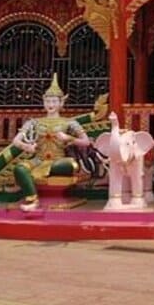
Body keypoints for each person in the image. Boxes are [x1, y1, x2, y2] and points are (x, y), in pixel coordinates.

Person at [11, 73, 92, 211]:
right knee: (19, 168)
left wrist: (69, 138)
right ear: (44, 102)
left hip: (59, 161)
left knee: (69, 164)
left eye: (54, 101)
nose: (51, 105)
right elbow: (15, 141)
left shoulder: (69, 122)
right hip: (38, 160)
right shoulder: (34, 122)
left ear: (61, 103)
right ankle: (32, 199)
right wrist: (27, 146)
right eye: (48, 101)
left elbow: (86, 142)